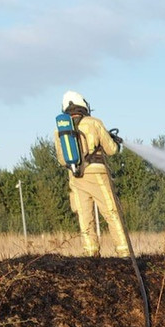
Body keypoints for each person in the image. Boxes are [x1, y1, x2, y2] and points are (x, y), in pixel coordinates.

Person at [55, 90, 132, 257]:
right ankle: (124, 252)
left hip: (75, 178)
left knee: (85, 217)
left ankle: (91, 254)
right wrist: (115, 143)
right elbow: (111, 150)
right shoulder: (93, 122)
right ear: (83, 105)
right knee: (112, 212)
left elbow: (62, 160)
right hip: (97, 174)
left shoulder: (59, 130)